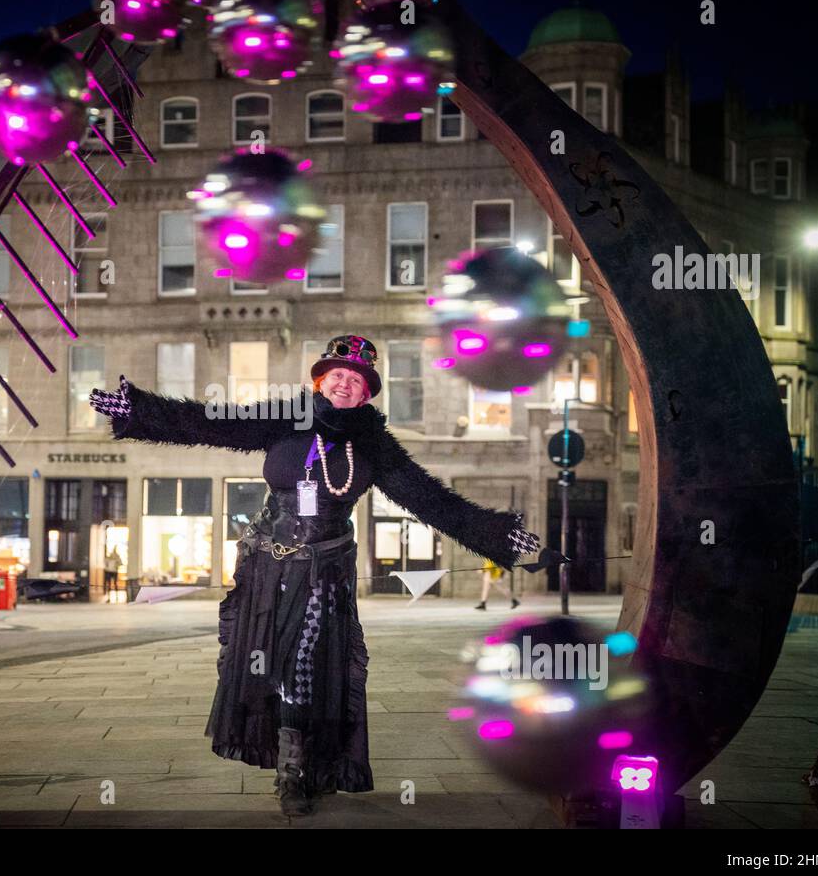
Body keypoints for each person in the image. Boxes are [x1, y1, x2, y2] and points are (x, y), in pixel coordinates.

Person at [90, 335, 539, 815]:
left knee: (304, 668)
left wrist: (502, 540)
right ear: (321, 381)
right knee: (270, 668)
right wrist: (137, 411)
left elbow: (431, 501)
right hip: (267, 566)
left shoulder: (374, 446)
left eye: (356, 380)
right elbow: (208, 423)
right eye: (337, 376)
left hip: (326, 571)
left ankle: (296, 775)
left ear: (366, 393)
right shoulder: (285, 418)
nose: (345, 384)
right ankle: (293, 766)